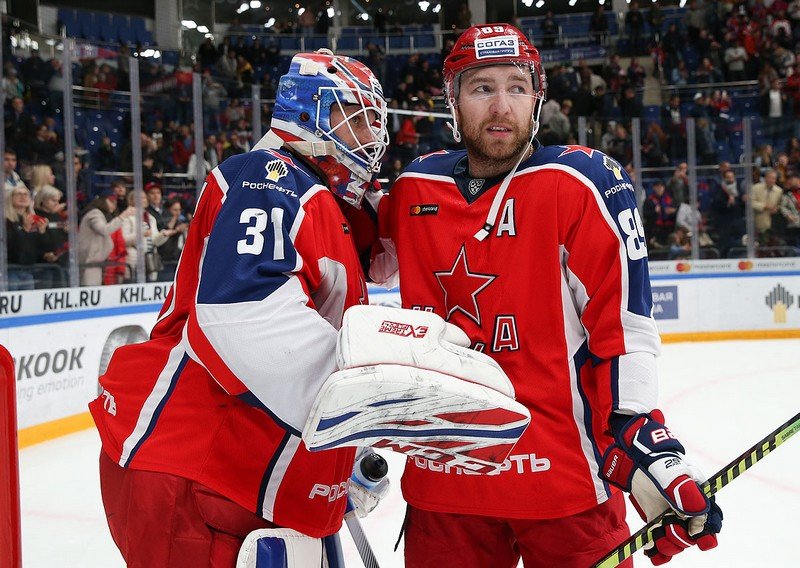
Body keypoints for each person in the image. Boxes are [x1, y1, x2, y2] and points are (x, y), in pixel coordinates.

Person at [89, 48, 525, 568]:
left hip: (243, 476)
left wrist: (343, 454)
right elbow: (244, 313)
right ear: (308, 110)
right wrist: (372, 402)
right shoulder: (267, 176)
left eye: (373, 124)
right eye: (354, 118)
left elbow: (385, 252)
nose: (370, 138)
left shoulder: (326, 203)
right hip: (196, 467)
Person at [375, 24, 723, 567]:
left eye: (516, 87)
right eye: (482, 87)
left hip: (565, 487)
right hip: (445, 492)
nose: (501, 106)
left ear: (537, 98)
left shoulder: (581, 183)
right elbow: (340, 256)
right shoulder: (416, 187)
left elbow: (623, 328)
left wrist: (640, 438)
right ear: (452, 100)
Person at [77, 187, 136, 286]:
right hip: (89, 262)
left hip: (96, 262)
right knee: (91, 289)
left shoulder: (101, 215)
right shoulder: (95, 213)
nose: (114, 205)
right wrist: (123, 216)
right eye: (111, 201)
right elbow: (104, 230)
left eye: (115, 203)